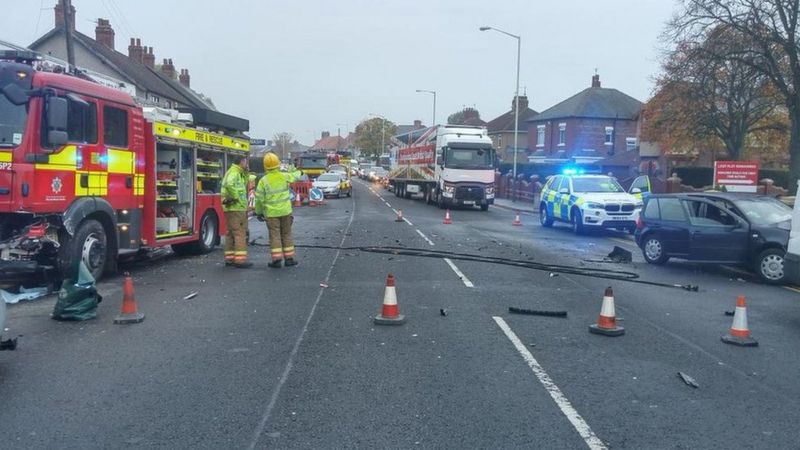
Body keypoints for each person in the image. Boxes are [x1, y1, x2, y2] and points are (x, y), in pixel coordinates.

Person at [255, 152, 299, 268]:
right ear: (278, 164)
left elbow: (259, 199)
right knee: (287, 234)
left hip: (272, 214)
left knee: (275, 236)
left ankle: (277, 260)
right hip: (286, 212)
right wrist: (299, 170)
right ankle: (289, 259)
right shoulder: (284, 176)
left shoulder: (263, 181)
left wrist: (259, 212)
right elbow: (295, 175)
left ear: (265, 166)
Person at [221, 155, 252, 268]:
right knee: (240, 233)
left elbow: (243, 184)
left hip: (231, 208)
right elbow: (230, 184)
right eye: (245, 162)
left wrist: (246, 173)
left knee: (230, 233)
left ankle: (229, 259)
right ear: (241, 161)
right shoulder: (234, 173)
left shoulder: (236, 172)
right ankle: (240, 261)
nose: (246, 164)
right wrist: (236, 197)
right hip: (237, 208)